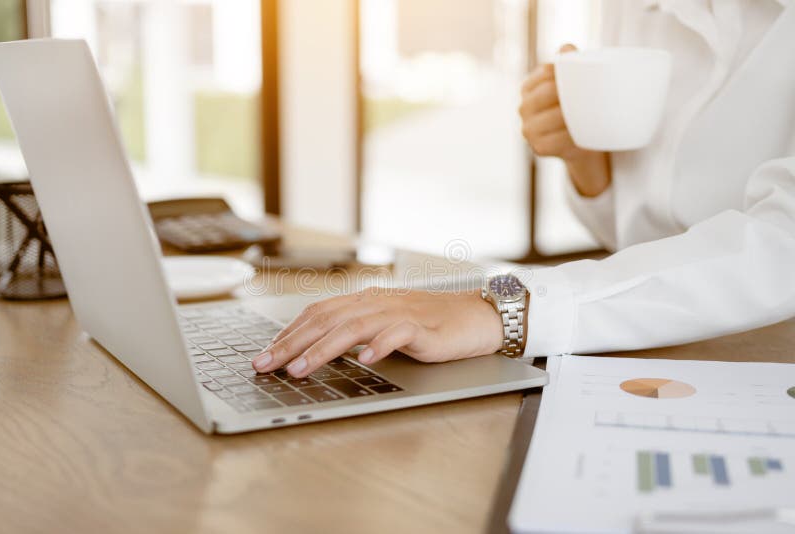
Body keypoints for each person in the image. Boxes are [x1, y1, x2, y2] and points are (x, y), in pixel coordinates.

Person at [253, 0, 795, 379]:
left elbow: (783, 245)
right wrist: (587, 158)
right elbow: (639, 243)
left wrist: (501, 309)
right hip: (658, 346)